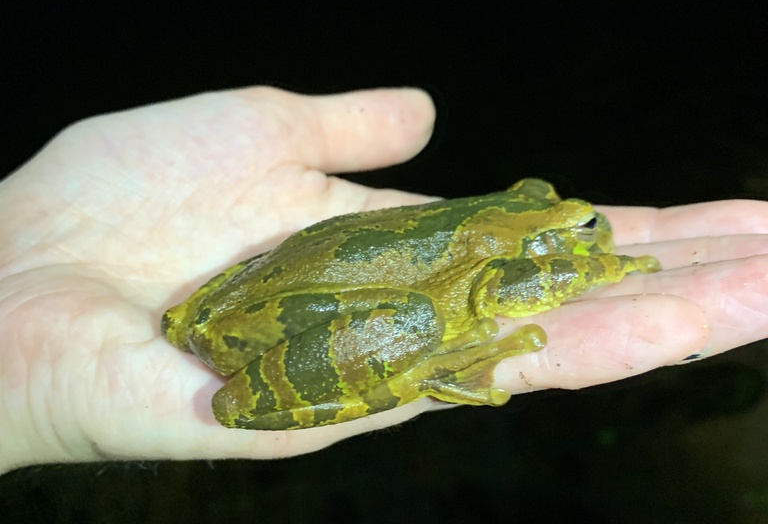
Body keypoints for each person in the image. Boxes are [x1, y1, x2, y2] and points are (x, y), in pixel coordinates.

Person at [1, 85, 766, 473]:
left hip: (234, 305)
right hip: (287, 327)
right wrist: (594, 267)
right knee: (425, 324)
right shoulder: (505, 257)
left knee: (409, 299)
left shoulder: (489, 223)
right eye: (554, 229)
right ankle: (432, 363)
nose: (575, 224)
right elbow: (506, 289)